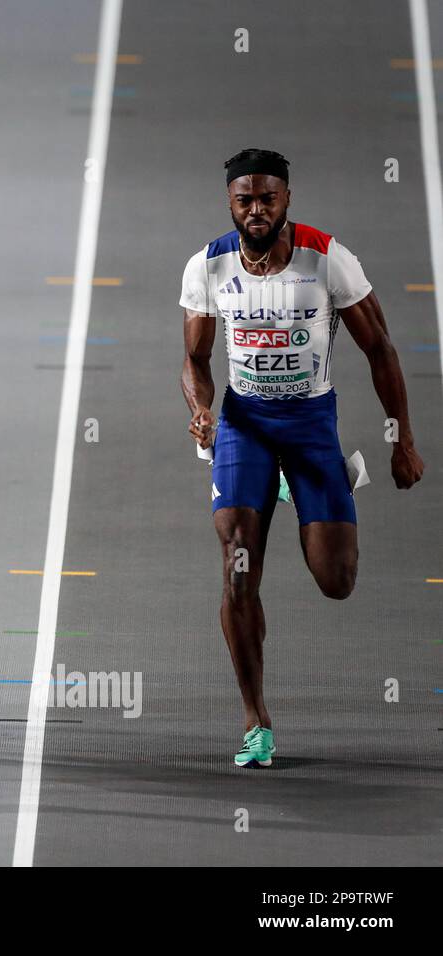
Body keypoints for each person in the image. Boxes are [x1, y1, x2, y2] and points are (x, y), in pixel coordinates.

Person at [180, 148, 424, 767]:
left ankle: (302, 483)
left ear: (287, 199)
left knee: (336, 581)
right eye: (245, 200)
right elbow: (195, 361)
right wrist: (202, 409)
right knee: (238, 565)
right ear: (230, 203)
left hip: (310, 423)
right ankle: (255, 718)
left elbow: (382, 351)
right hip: (245, 425)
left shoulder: (328, 259)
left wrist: (403, 440)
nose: (256, 210)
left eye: (267, 198)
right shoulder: (207, 267)